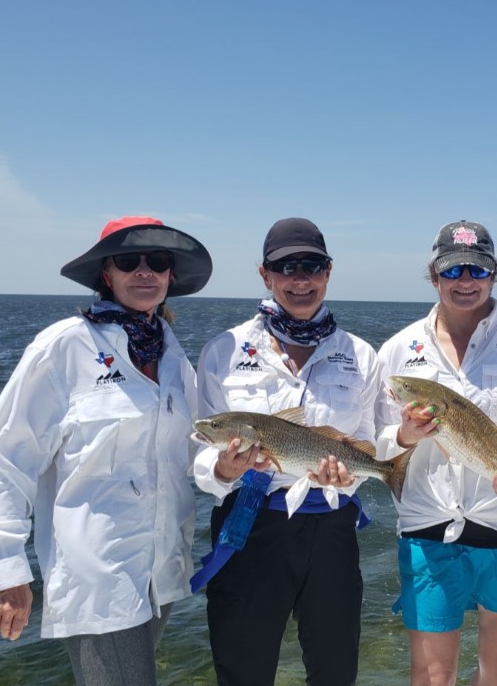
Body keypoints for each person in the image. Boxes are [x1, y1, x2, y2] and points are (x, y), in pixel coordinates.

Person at [0, 216, 213, 685]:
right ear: (106, 274)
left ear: (170, 275)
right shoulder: (64, 346)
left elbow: (194, 450)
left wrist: (232, 465)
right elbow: (5, 456)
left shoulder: (173, 356)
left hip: (162, 571)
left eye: (157, 261)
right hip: (100, 573)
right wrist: (2, 568)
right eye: (128, 261)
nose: (145, 271)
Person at [193, 217, 382, 686]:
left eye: (312, 267)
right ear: (265, 275)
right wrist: (222, 468)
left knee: (336, 668)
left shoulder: (360, 354)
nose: (300, 279)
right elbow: (196, 451)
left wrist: (352, 476)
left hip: (333, 527)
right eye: (286, 267)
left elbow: (367, 439)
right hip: (250, 523)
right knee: (243, 668)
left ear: (328, 272)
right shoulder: (223, 350)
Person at [374, 220, 497, 686]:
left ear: (494, 274)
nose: (464, 281)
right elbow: (376, 441)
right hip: (428, 528)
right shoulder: (398, 349)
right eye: (452, 270)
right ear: (433, 275)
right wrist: (405, 436)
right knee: (433, 676)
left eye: (477, 270)